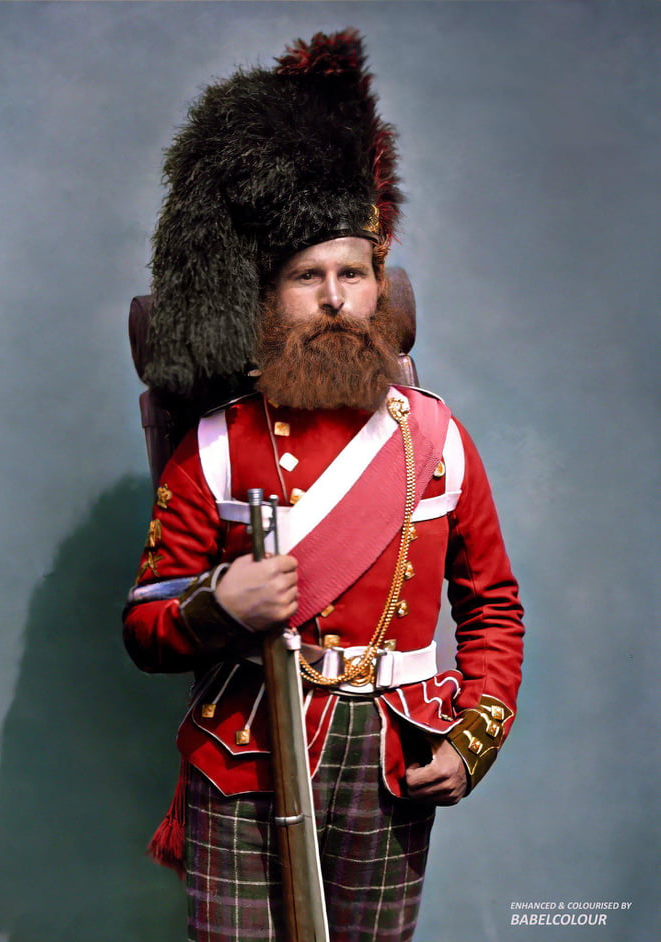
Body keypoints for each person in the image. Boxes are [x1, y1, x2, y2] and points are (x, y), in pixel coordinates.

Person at [123, 29, 524, 942]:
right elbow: (144, 622)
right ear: (272, 298)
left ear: (383, 291)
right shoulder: (217, 447)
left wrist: (472, 740)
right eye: (309, 277)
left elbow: (494, 608)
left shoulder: (437, 439)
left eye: (355, 274)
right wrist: (217, 605)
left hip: (391, 756)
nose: (336, 298)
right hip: (246, 751)